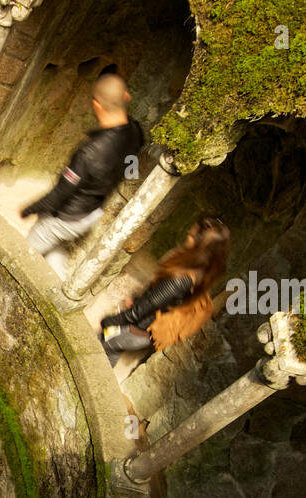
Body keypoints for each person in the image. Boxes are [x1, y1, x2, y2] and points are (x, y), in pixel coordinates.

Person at [20, 74, 145, 276]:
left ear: (97, 105)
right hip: (91, 213)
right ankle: (59, 280)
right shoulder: (136, 133)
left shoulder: (89, 152)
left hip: (68, 216)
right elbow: (132, 170)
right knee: (53, 244)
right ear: (126, 96)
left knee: (26, 255)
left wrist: (29, 209)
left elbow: (60, 195)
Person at [99, 215, 231, 366]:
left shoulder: (183, 278)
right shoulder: (200, 272)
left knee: (104, 348)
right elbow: (158, 297)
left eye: (191, 234)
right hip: (142, 328)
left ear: (200, 245)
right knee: (110, 351)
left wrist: (110, 321)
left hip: (138, 329)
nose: (188, 232)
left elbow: (147, 306)